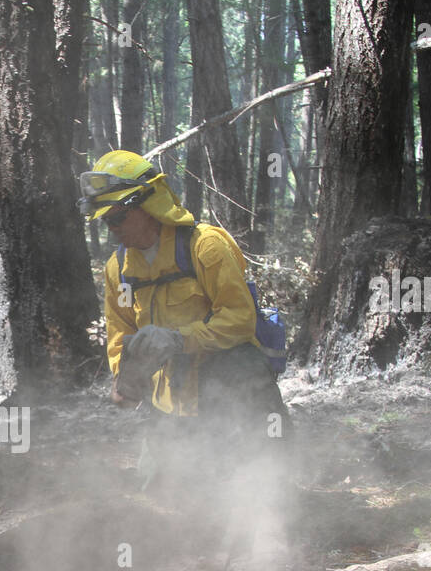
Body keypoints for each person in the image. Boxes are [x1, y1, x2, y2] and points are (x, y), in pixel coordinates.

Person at [77, 150, 287, 485]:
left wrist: (178, 339)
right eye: (105, 221)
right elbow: (120, 335)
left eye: (116, 218)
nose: (112, 229)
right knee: (161, 502)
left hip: (231, 391)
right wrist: (126, 376)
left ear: (147, 205)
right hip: (170, 404)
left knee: (254, 488)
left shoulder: (205, 246)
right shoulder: (118, 270)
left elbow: (239, 319)